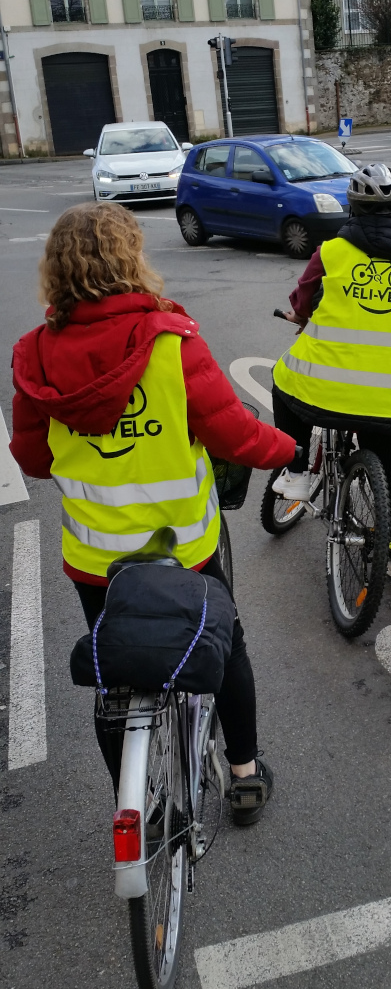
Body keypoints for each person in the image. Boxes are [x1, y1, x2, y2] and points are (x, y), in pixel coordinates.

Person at [9, 203, 296, 822]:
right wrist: (291, 449)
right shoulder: (170, 341)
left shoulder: (34, 355)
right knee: (226, 650)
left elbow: (32, 459)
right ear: (131, 258)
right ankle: (244, 775)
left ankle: (136, 803)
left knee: (117, 676)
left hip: (97, 562)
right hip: (184, 550)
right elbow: (235, 437)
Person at [271, 162, 391, 590]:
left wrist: (302, 314)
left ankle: (297, 472)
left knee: (281, 378)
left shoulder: (331, 252)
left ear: (353, 207)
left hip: (329, 392)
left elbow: (303, 299)